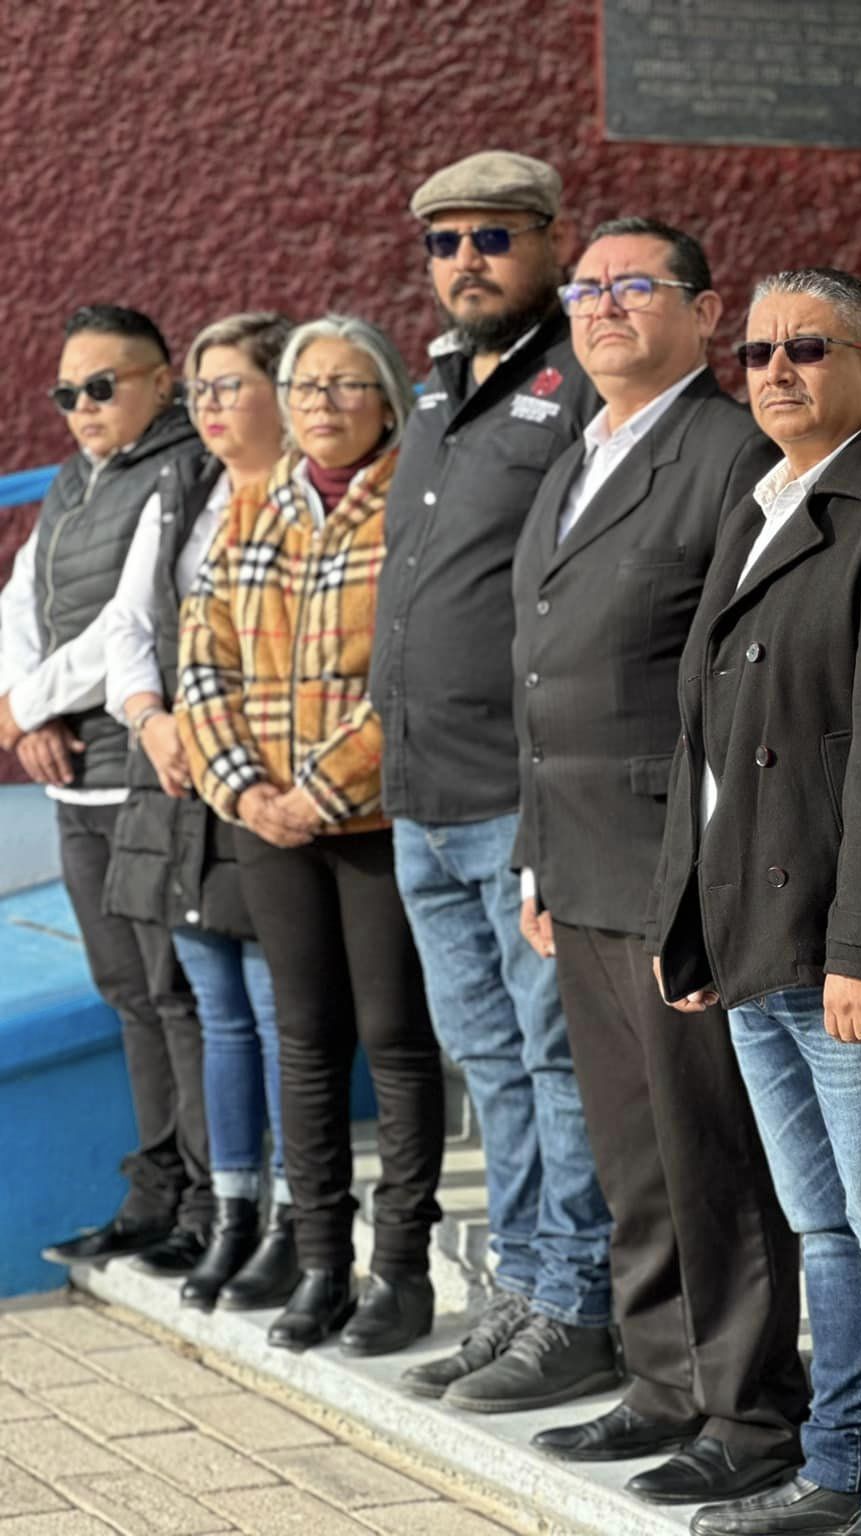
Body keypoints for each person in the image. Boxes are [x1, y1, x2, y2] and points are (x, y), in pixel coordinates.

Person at [648, 267, 861, 1536]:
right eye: (758, 353)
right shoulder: (761, 499)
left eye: (807, 349)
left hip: (843, 947)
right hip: (750, 941)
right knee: (823, 1229)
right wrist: (693, 918)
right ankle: (834, 1468)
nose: (775, 371)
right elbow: (706, 744)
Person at [508, 218, 801, 1462]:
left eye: (637, 286)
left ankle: (747, 1408)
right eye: (587, 288)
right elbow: (538, 677)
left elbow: (731, 687)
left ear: (701, 310)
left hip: (674, 860)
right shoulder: (581, 447)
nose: (606, 307)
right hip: (576, 860)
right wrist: (534, 853)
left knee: (711, 1153)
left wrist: (707, 871)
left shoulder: (727, 450)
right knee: (631, 1151)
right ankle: (663, 1382)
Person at [375, 151, 617, 1408]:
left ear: (549, 242)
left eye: (492, 237)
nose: (465, 259)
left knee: (554, 1056)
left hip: (517, 800)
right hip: (421, 796)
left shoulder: (577, 382)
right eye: (443, 241)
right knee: (491, 1061)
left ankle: (576, 1304)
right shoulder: (434, 394)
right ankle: (520, 1289)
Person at [182, 315, 445, 1355]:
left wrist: (319, 790)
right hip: (260, 816)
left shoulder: (411, 507)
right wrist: (247, 789)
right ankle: (320, 1257)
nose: (322, 405)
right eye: (303, 387)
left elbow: (414, 670)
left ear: (386, 400)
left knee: (393, 1036)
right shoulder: (254, 507)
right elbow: (202, 660)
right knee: (302, 1035)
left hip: (374, 816)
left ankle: (401, 1268)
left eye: (345, 386)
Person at [100, 312, 299, 1311]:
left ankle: (301, 1223)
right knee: (216, 1012)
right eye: (204, 389)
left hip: (270, 790)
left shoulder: (314, 495)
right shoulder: (184, 489)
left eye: (234, 387)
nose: (213, 408)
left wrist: (225, 750)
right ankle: (235, 1213)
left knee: (278, 1014)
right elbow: (129, 628)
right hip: (179, 783)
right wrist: (150, 721)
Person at [5, 305, 210, 1270]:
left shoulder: (176, 468)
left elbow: (128, 625)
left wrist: (24, 707)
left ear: (162, 381)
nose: (82, 409)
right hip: (74, 781)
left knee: (175, 992)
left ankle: (212, 1200)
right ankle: (155, 1188)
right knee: (125, 989)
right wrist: (25, 708)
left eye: (103, 386)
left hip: (142, 771)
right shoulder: (75, 485)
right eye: (67, 394)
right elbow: (20, 600)